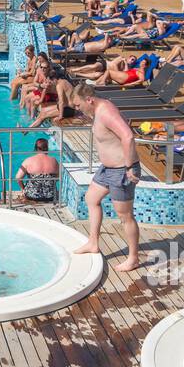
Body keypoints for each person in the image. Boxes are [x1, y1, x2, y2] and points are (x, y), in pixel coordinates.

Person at [69, 82, 142, 270]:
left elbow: (128, 136)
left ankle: (133, 258)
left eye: (78, 105)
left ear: (89, 99)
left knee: (125, 216)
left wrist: (129, 167)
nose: (78, 109)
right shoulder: (99, 110)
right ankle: (93, 243)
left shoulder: (106, 112)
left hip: (121, 170)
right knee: (91, 198)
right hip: (107, 169)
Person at [15, 138, 60, 203]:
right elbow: (57, 177)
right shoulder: (54, 161)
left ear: (36, 148)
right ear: (47, 148)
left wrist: (23, 188)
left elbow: (18, 178)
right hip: (51, 196)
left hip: (32, 196)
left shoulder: (28, 161)